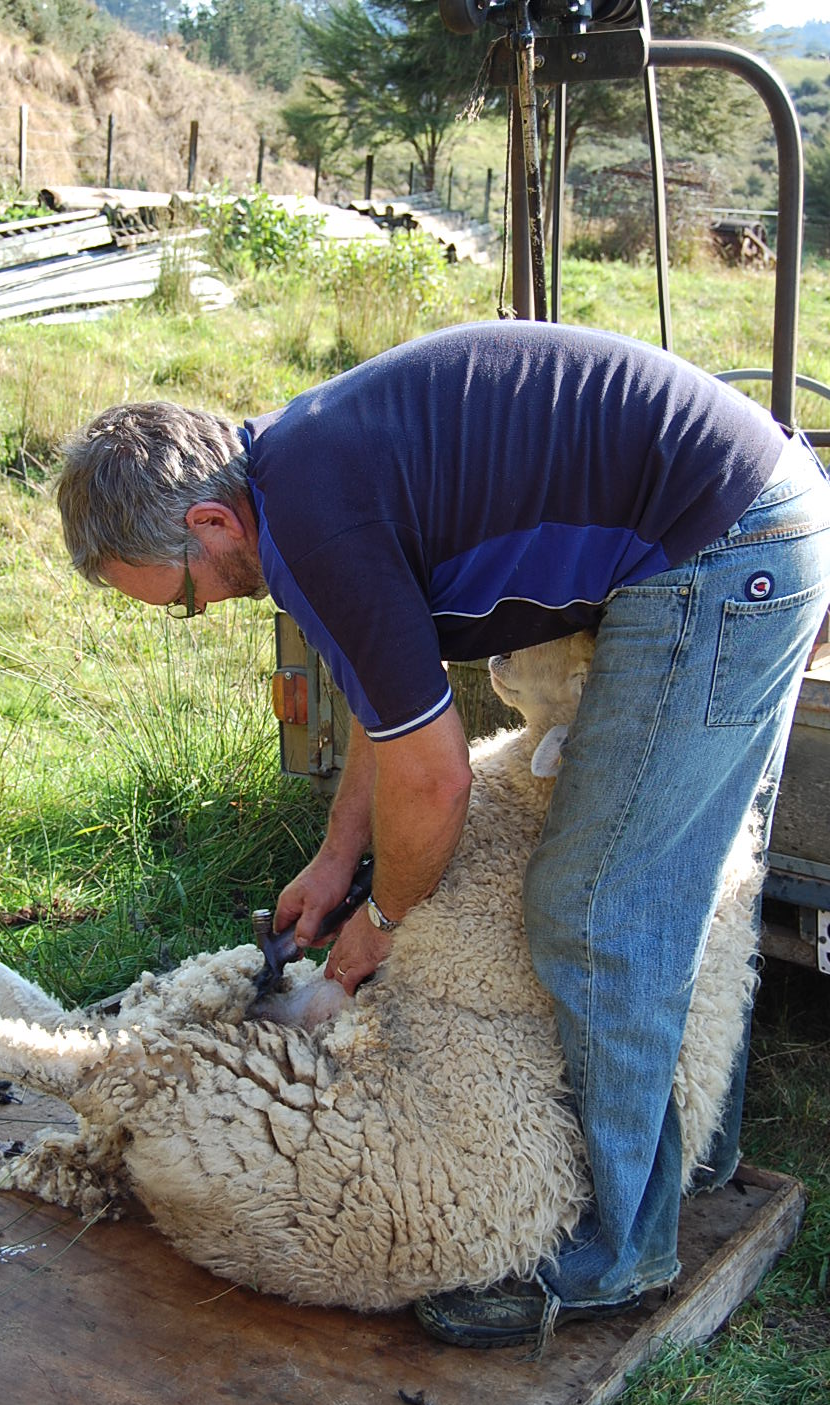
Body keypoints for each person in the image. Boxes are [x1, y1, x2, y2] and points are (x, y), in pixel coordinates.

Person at [55, 320, 830, 1349]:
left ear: (207, 520)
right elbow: (392, 707)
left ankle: (620, 1247)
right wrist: (338, 859)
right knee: (672, 875)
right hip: (733, 515)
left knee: (598, 906)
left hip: (723, 552)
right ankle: (694, 1156)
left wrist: (383, 917)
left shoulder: (314, 529)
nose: (203, 609)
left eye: (190, 598)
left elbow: (434, 773)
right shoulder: (291, 473)